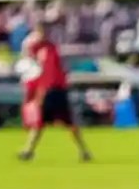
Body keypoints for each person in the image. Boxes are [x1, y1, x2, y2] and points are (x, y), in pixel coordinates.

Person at [18, 23, 91, 162]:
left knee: (67, 122)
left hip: (54, 90)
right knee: (41, 123)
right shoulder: (43, 49)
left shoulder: (49, 50)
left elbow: (49, 73)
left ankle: (84, 150)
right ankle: (28, 150)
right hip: (51, 89)